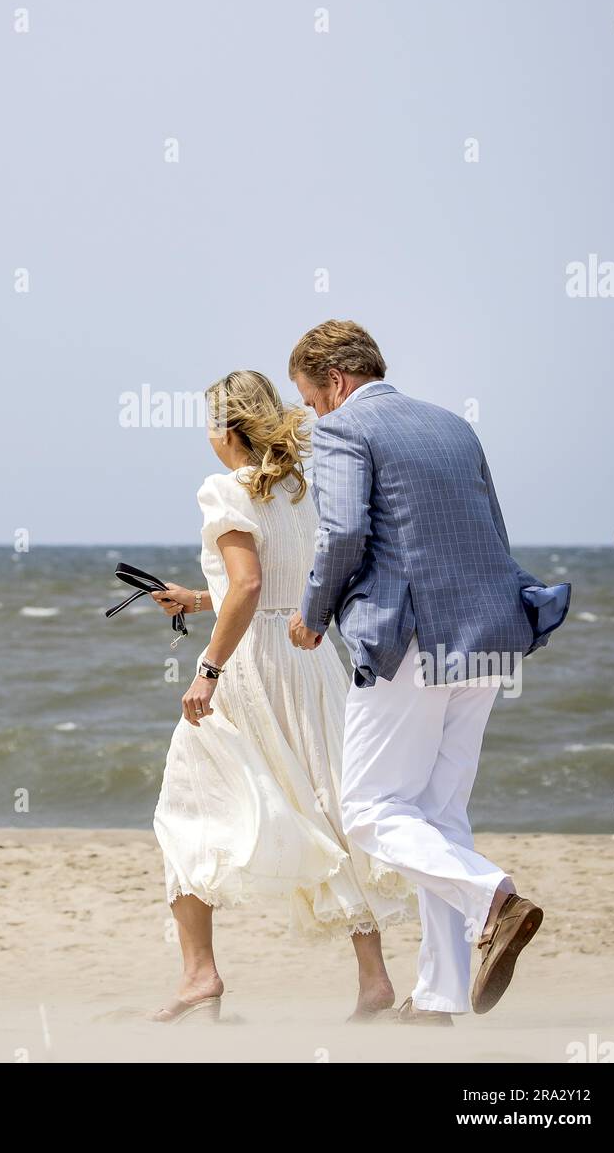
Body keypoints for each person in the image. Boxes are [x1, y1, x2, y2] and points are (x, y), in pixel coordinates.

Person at [287, 319, 570, 1025]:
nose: (312, 414)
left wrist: (313, 613)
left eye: (310, 399)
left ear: (336, 382)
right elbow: (493, 533)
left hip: (407, 635)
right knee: (440, 814)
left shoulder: (345, 429)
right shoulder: (453, 427)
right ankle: (440, 996)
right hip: (488, 634)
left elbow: (343, 533)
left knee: (370, 811)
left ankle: (494, 898)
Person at [149, 370, 415, 1025]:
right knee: (326, 803)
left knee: (185, 810)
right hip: (309, 660)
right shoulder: (299, 489)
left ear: (227, 429)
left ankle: (199, 976)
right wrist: (198, 598)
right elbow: (279, 587)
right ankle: (375, 981)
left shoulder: (223, 489)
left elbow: (247, 588)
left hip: (250, 669)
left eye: (210, 424)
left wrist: (207, 669)